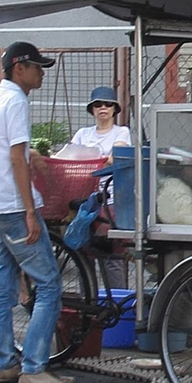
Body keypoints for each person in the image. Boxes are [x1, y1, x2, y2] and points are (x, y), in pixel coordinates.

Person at [0, 41, 73, 383]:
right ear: (19, 68)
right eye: (37, 66)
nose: (42, 72)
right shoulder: (15, 101)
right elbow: (15, 158)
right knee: (49, 283)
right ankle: (34, 367)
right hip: (10, 205)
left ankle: (3, 363)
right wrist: (30, 210)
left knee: (5, 283)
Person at [71, 86, 131, 292]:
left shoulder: (122, 131)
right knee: (82, 253)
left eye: (108, 104)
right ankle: (89, 302)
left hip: (111, 199)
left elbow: (116, 156)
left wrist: (88, 159)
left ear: (114, 109)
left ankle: (119, 300)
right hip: (85, 200)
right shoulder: (82, 133)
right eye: (98, 104)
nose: (103, 108)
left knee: (111, 255)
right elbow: (70, 158)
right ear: (92, 110)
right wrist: (100, 160)